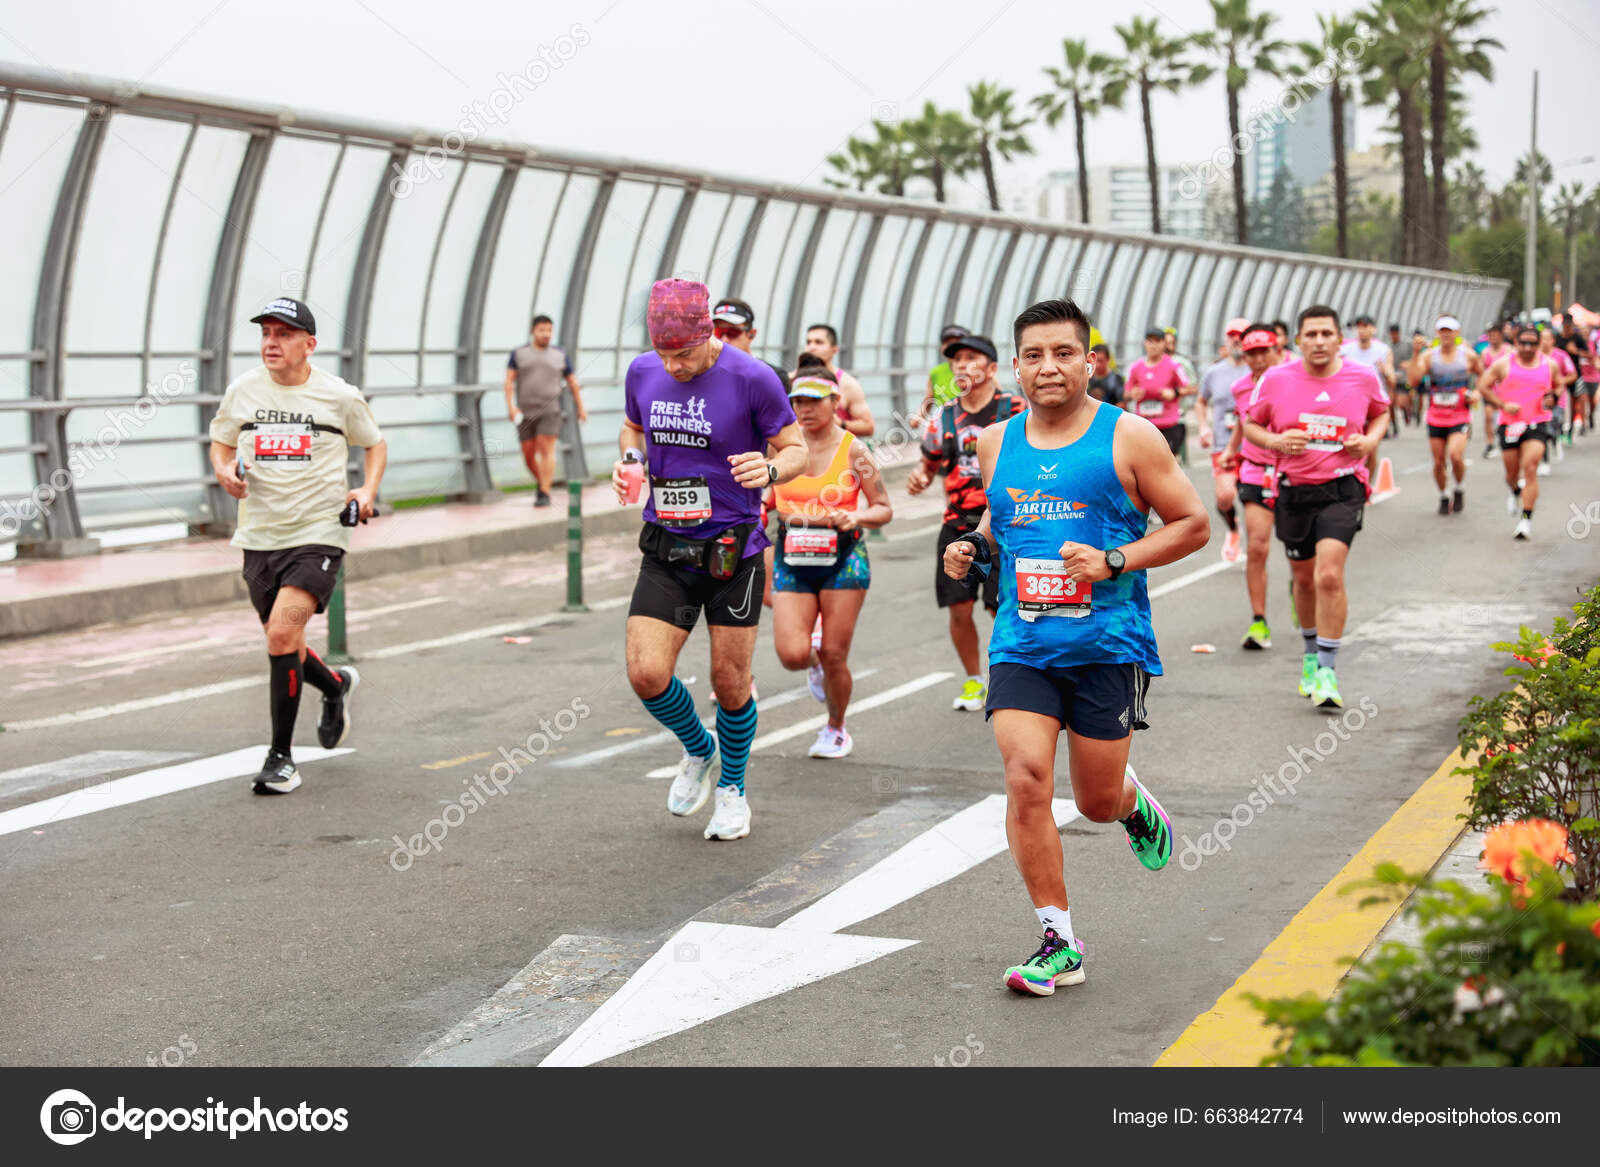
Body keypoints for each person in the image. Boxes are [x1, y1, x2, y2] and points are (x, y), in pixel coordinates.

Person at [941, 297, 1208, 996]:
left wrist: (1114, 561)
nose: (1049, 367)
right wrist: (974, 547)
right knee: (1026, 777)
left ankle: (1130, 803)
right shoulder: (995, 442)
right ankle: (1059, 941)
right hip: (1023, 641)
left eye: (1063, 353)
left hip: (1106, 645)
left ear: (1089, 360)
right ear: (1016, 367)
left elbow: (1192, 523)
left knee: (1093, 800)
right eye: (1034, 355)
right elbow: (1004, 523)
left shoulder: (1132, 436)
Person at [614, 279, 807, 841]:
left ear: (708, 334)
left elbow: (795, 448)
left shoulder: (752, 377)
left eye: (684, 354)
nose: (672, 366)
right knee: (647, 673)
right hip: (667, 546)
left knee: (730, 682)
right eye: (664, 353)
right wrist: (631, 460)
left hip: (733, 552)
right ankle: (700, 749)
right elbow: (632, 425)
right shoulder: (643, 371)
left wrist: (770, 469)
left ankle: (733, 790)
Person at [208, 298, 385, 794]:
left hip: (319, 532)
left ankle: (281, 758)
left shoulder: (339, 396)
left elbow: (374, 443)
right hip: (259, 535)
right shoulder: (243, 391)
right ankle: (335, 685)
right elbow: (222, 440)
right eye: (266, 333)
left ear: (309, 345)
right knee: (281, 639)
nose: (271, 342)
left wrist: (366, 491)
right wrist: (223, 471)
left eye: (283, 334)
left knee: (282, 633)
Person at [1242, 305, 1390, 709]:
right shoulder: (1276, 379)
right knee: (1304, 580)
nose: (1319, 341)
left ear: (1340, 338)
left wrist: (1370, 441)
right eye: (1311, 334)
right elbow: (1251, 424)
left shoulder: (1362, 376)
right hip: (1293, 489)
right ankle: (1310, 654)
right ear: (1298, 341)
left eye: (1327, 333)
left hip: (1343, 487)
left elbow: (1381, 413)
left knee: (1329, 575)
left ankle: (1327, 669)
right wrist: (1275, 442)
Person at [765, 357, 893, 758]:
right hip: (792, 555)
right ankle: (814, 661)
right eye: (797, 401)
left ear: (836, 401)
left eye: (814, 400)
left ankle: (836, 728)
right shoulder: (780, 447)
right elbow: (763, 494)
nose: (805, 408)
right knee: (791, 655)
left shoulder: (855, 450)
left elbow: (883, 508)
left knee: (836, 654)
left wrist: (857, 516)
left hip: (844, 558)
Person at [906, 333, 1025, 712]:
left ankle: (1015, 673)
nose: (962, 365)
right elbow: (929, 463)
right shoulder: (945, 414)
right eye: (957, 360)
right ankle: (974, 680)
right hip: (958, 522)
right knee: (958, 607)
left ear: (992, 369)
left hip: (1005, 524)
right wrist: (920, 478)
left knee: (999, 606)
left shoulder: (1015, 408)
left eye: (972, 358)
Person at [712, 295, 792, 613]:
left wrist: (768, 490)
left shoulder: (769, 378)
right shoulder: (696, 376)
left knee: (771, 594)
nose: (724, 339)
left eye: (733, 333)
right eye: (718, 332)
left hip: (761, 502)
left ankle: (810, 633)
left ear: (751, 335)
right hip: (714, 509)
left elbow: (787, 446)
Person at [1220, 324, 1284, 650]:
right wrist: (1231, 450)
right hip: (1257, 471)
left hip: (1295, 472)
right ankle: (1259, 621)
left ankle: (1302, 589)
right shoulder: (1241, 387)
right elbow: (1244, 422)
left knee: (1305, 555)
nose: (1258, 359)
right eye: (1251, 353)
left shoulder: (1294, 379)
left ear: (1277, 350)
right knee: (1257, 546)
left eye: (1264, 352)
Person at [1479, 325, 1557, 541]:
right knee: (1511, 475)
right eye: (1523, 343)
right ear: (1516, 343)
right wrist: (1503, 405)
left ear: (1538, 344)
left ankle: (1525, 520)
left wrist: (1553, 398)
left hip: (1537, 422)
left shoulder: (1549, 364)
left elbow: (1558, 385)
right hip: (1510, 424)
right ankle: (1514, 491)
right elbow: (1483, 386)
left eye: (1532, 343)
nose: (1528, 347)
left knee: (1530, 467)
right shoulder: (1503, 364)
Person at [505, 314, 586, 507]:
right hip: (525, 412)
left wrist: (580, 407)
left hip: (551, 410)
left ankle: (544, 492)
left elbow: (573, 382)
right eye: (542, 330)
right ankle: (543, 482)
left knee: (546, 449)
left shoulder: (560, 355)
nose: (546, 334)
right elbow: (509, 382)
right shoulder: (518, 354)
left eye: (549, 330)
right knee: (528, 454)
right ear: (533, 331)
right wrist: (511, 407)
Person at [1410, 315, 1481, 516]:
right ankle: (1443, 495)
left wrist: (1477, 393)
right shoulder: (1429, 356)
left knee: (1456, 456)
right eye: (1442, 331)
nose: (1446, 335)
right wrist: (1415, 353)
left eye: (1449, 331)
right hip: (1436, 415)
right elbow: (1414, 381)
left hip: (1459, 414)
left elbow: (1483, 375)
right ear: (1437, 333)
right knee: (1438, 461)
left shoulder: (1467, 355)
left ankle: (1459, 487)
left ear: (1457, 333)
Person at [1196, 318, 1251, 562]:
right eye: (1232, 335)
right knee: (1225, 498)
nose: (1236, 340)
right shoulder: (1214, 372)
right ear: (1226, 340)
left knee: (1253, 502)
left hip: (1254, 447)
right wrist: (1203, 427)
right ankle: (1233, 528)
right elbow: (1201, 401)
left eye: (1242, 335)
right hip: (1223, 445)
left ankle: (1255, 546)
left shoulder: (1258, 369)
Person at [1122, 327, 1194, 458]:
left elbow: (1191, 388)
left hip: (1169, 425)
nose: (1153, 345)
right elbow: (1125, 394)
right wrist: (1132, 394)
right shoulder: (1136, 367)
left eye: (1157, 341)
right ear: (1145, 343)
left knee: (1167, 462)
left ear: (1164, 344)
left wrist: (1174, 392)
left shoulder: (1174, 366)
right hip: (1145, 426)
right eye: (1150, 341)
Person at [802, 324, 875, 437]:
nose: (811, 347)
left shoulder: (847, 384)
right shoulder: (794, 380)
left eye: (819, 342)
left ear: (834, 350)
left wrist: (840, 423)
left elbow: (868, 426)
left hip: (838, 447)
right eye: (808, 342)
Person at [1341, 315, 1397, 456]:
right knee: (1351, 443)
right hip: (1352, 402)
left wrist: (1385, 371)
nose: (1362, 330)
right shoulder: (1345, 351)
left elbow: (1392, 381)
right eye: (1358, 327)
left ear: (1373, 329)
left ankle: (1367, 471)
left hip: (1374, 402)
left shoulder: (1383, 350)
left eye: (1365, 326)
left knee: (1371, 450)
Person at [917, 324, 970, 425]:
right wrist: (918, 418)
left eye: (958, 342)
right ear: (942, 347)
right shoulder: (936, 372)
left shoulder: (977, 370)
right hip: (948, 425)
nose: (953, 346)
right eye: (948, 343)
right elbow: (929, 398)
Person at [1539, 326, 1575, 464]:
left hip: (1557, 398)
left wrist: (1559, 382)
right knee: (1542, 428)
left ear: (1553, 340)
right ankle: (1545, 460)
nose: (1544, 342)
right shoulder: (1534, 357)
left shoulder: (1561, 356)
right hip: (1539, 400)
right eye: (1542, 339)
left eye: (1547, 339)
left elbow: (1572, 375)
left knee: (1554, 424)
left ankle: (1555, 440)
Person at [1477, 323, 1513, 458]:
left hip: (1505, 391)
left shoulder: (1509, 351)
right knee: (1488, 416)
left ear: (1501, 336)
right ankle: (1490, 443)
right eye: (1490, 335)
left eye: (1495, 335)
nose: (1493, 338)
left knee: (1503, 418)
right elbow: (1481, 372)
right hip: (1490, 391)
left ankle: (1506, 439)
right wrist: (1479, 388)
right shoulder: (1485, 353)